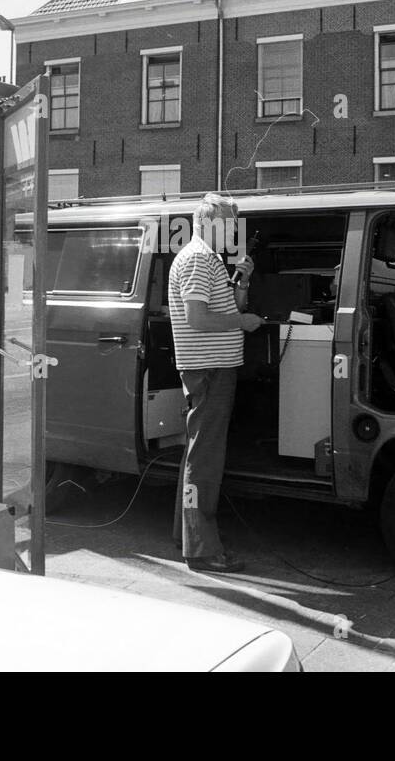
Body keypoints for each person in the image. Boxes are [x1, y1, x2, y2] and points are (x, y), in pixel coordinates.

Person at [168, 193, 263, 574]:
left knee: (199, 452)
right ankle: (203, 550)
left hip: (213, 366)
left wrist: (243, 283)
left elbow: (225, 309)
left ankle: (186, 534)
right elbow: (197, 318)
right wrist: (242, 324)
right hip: (209, 368)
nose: (233, 231)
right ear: (210, 223)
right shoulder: (196, 259)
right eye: (229, 224)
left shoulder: (208, 260)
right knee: (205, 458)